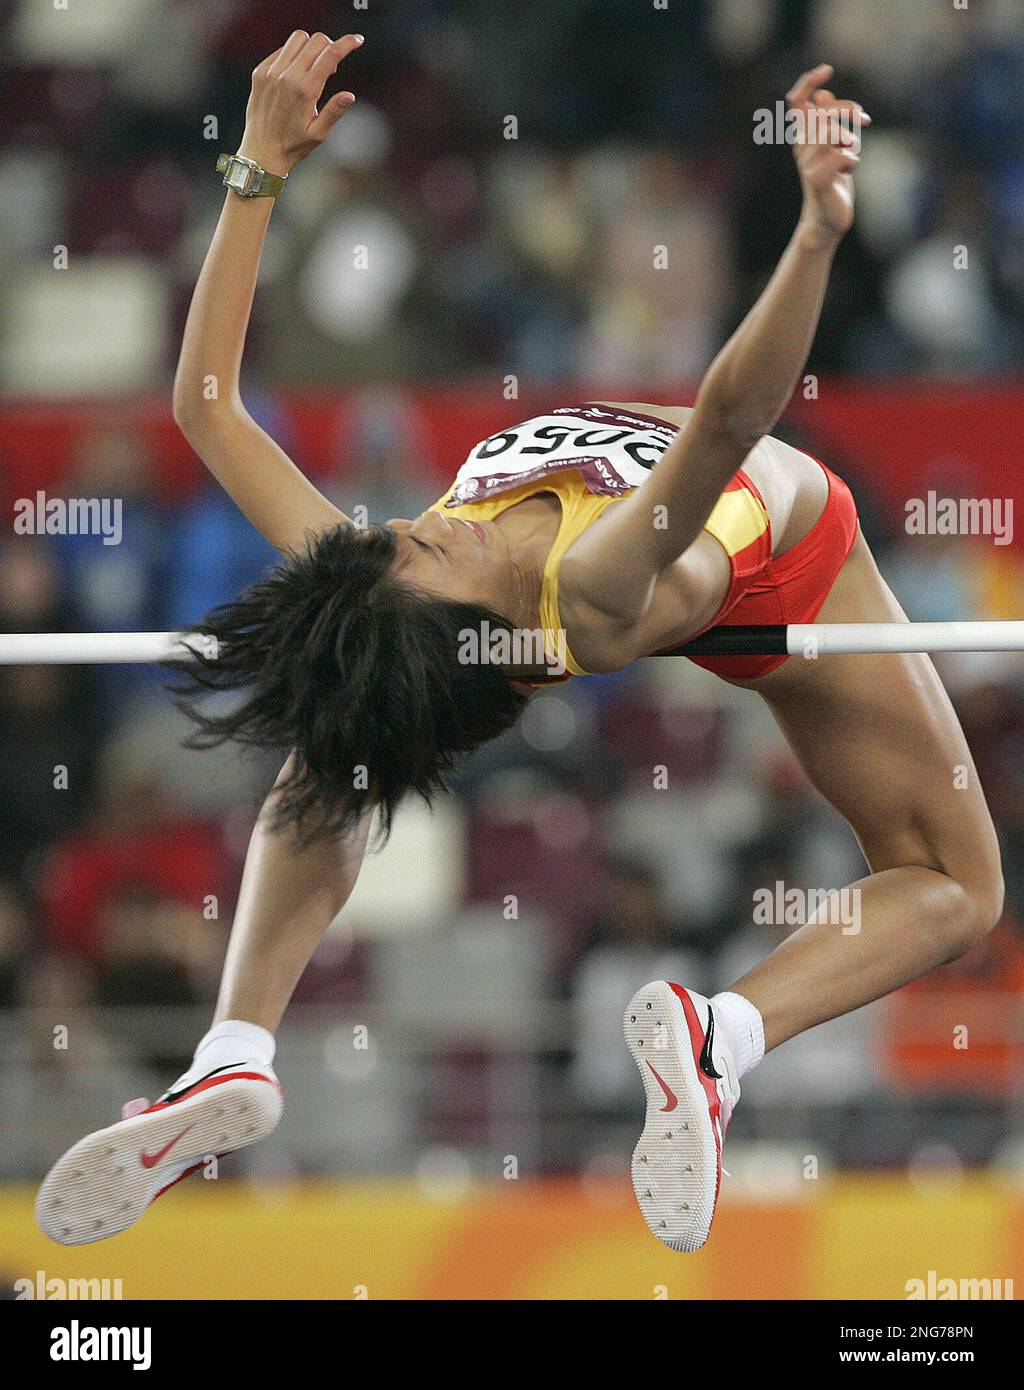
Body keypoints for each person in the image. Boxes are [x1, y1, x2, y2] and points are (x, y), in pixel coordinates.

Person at [36, 35, 1003, 1254]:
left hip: (607, 600)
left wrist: (257, 166)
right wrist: (814, 232)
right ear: (454, 610)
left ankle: (231, 1053)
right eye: (406, 547)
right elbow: (731, 414)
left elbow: (206, 405)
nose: (386, 522)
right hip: (791, 559)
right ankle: (721, 1038)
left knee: (341, 721)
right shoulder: (589, 587)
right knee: (959, 885)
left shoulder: (393, 594)